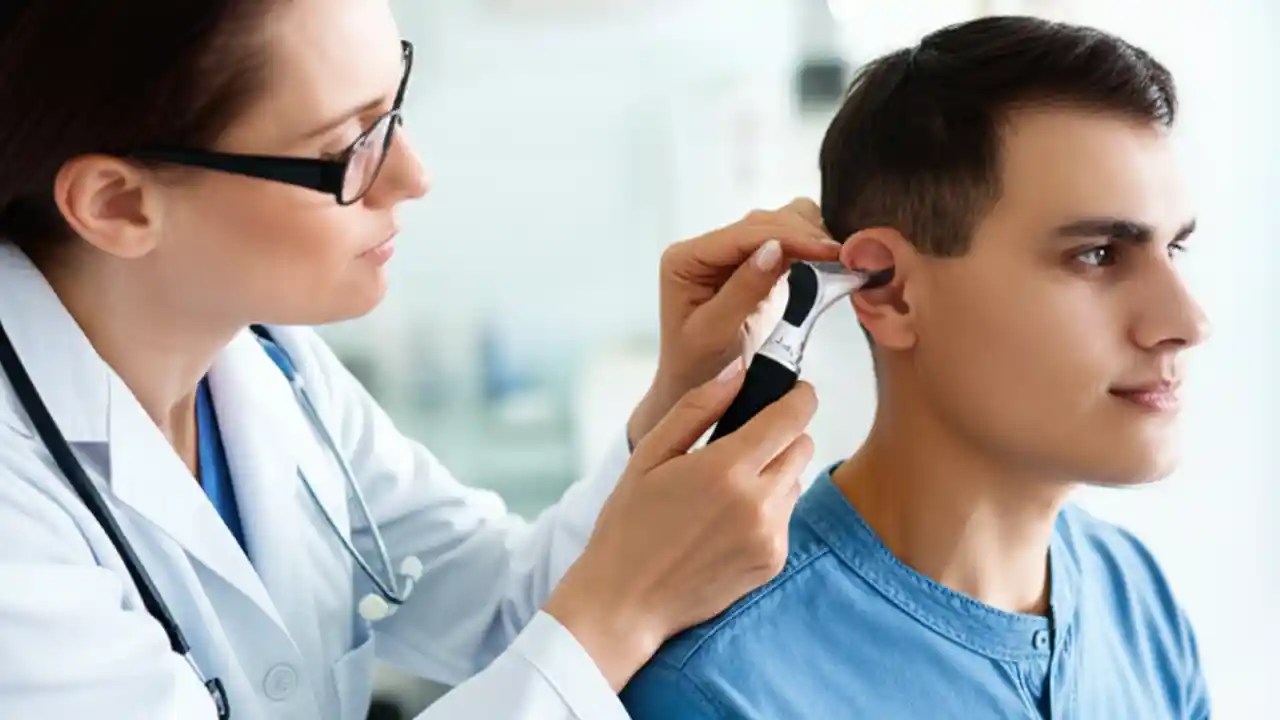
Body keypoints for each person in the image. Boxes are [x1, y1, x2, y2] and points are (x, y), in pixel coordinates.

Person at [0, 1, 847, 718]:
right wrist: (627, 608)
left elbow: (499, 605)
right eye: (347, 150)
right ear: (117, 204)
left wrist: (682, 395)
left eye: (392, 111)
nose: (412, 174)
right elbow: (576, 622)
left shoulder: (268, 362)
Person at [621, 15, 1211, 719]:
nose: (1186, 323)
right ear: (892, 291)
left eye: (1173, 251)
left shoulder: (1136, 598)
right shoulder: (718, 691)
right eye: (1097, 255)